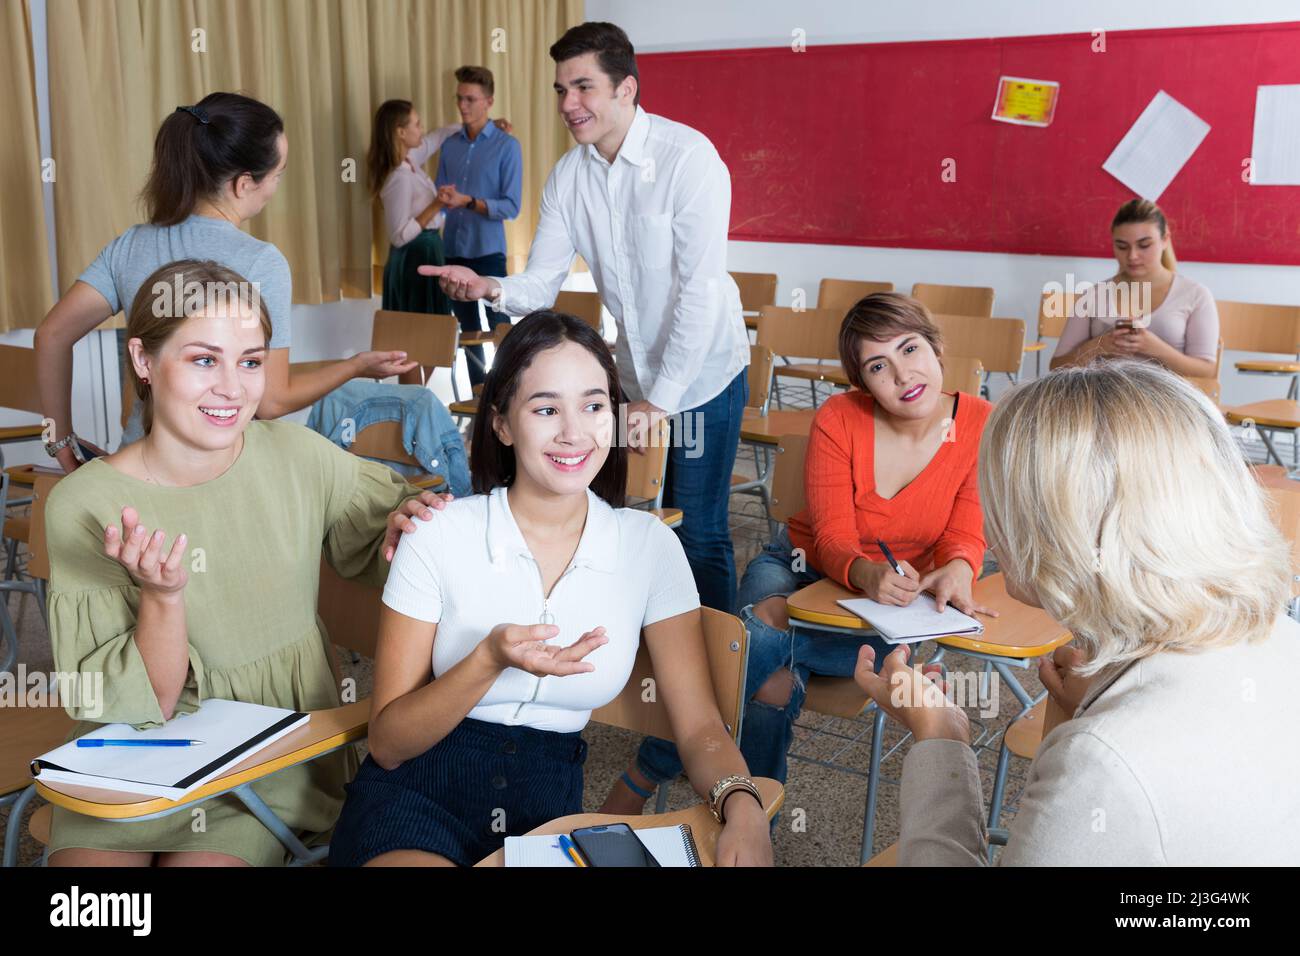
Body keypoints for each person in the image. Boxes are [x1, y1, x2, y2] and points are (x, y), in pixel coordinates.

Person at [327, 311, 773, 867]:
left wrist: (744, 803)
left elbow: (700, 725)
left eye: (592, 406)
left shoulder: (649, 547)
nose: (573, 432)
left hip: (548, 814)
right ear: (502, 424)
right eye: (545, 409)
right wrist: (488, 659)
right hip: (417, 794)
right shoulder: (436, 533)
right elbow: (389, 744)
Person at [43, 260, 445, 867]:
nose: (233, 388)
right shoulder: (83, 503)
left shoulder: (298, 455)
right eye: (204, 360)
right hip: (133, 751)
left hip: (273, 750)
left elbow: (413, 533)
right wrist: (163, 598)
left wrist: (411, 521)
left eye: (250, 361)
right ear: (144, 361)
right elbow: (139, 701)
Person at [855, 360, 1300, 865]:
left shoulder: (1105, 766)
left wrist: (942, 735)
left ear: (1050, 526)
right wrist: (1081, 711)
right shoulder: (1284, 639)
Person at [604, 293, 997, 811]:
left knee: (760, 646)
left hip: (887, 610)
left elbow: (965, 532)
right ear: (861, 382)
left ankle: (651, 769)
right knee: (770, 675)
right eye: (879, 366)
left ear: (937, 347)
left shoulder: (981, 423)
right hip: (798, 565)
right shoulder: (839, 416)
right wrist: (865, 571)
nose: (903, 375)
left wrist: (959, 568)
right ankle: (752, 823)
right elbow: (831, 539)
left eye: (910, 349)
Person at [421, 23, 750, 615]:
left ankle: (724, 678)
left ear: (626, 90)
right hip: (634, 374)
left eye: (583, 87)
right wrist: (489, 285)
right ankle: (647, 653)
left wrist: (662, 400)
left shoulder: (689, 159)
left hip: (704, 375)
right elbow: (542, 283)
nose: (569, 105)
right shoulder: (570, 176)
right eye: (560, 90)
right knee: (631, 518)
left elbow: (700, 294)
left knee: (699, 528)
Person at [36, 92, 416, 471]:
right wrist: (355, 366)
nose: (276, 186)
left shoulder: (131, 245)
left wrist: (60, 440)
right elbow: (272, 402)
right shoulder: (260, 263)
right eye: (278, 175)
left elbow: (51, 335)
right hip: (221, 477)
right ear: (244, 183)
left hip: (135, 472)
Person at [367, 99, 514, 330]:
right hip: (413, 261)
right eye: (417, 124)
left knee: (429, 340)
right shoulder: (399, 176)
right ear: (401, 132)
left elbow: (441, 134)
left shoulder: (411, 159)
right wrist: (436, 205)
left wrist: (487, 124)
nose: (422, 129)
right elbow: (398, 236)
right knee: (417, 339)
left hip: (427, 254)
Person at [1050, 198, 1219, 378]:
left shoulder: (1195, 294)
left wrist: (1153, 348)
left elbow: (1207, 371)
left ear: (1165, 240)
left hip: (1166, 403)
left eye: (1144, 245)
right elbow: (1056, 367)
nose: (1132, 256)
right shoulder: (1093, 295)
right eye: (1122, 246)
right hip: (1105, 399)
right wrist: (1098, 346)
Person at [433, 66, 523, 388]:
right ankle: (478, 403)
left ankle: (511, 395)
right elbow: (441, 195)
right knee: (468, 333)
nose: (463, 105)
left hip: (488, 254)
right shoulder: (450, 145)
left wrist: (469, 201)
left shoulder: (507, 147)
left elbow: (511, 207)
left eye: (471, 99)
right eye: (460, 98)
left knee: (500, 328)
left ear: (489, 101)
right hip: (454, 253)